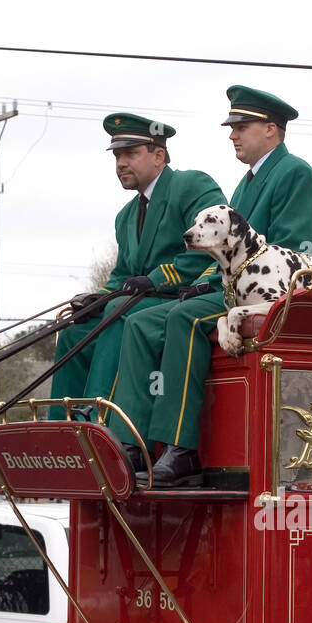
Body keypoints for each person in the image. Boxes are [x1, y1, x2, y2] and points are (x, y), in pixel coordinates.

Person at [110, 85, 312, 488]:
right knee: (140, 322)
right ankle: (130, 443)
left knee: (185, 319)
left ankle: (181, 448)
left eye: (241, 126)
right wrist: (205, 280)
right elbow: (231, 252)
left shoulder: (295, 173)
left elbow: (292, 257)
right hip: (235, 289)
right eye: (233, 127)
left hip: (276, 297)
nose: (232, 135)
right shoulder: (246, 183)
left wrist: (214, 286)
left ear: (270, 129)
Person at [49, 113, 225, 417]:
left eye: (131, 153)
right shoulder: (125, 216)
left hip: (184, 297)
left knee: (121, 316)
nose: (121, 163)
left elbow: (210, 244)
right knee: (73, 333)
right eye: (117, 155)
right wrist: (98, 298)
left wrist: (156, 279)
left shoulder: (191, 185)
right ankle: (60, 424)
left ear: (159, 156)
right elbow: (123, 274)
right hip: (138, 302)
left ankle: (97, 418)